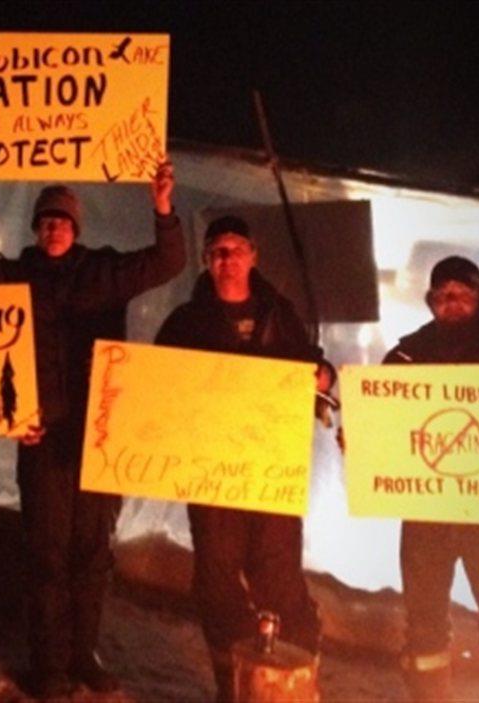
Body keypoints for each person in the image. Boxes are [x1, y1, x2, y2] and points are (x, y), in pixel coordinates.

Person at [15, 164, 184, 698]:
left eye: (63, 221)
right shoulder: (15, 279)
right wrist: (6, 413)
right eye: (46, 221)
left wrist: (163, 207)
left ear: (76, 228)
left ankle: (82, 654)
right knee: (46, 553)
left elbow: (169, 261)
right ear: (35, 229)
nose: (54, 230)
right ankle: (48, 664)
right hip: (42, 437)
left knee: (92, 552)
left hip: (99, 435)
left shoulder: (105, 273)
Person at [154, 215, 331, 703]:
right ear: (205, 260)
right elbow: (157, 387)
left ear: (253, 255)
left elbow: (311, 370)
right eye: (217, 251)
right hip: (212, 473)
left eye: (235, 249)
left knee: (279, 576)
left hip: (269, 470)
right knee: (216, 577)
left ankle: (293, 681)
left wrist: (324, 378)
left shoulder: (281, 314)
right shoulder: (185, 322)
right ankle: (232, 683)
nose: (226, 259)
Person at [384, 256, 479, 701]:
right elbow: (377, 420)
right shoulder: (405, 358)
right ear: (431, 301)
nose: (452, 303)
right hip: (426, 512)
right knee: (424, 624)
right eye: (443, 295)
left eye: (463, 295)